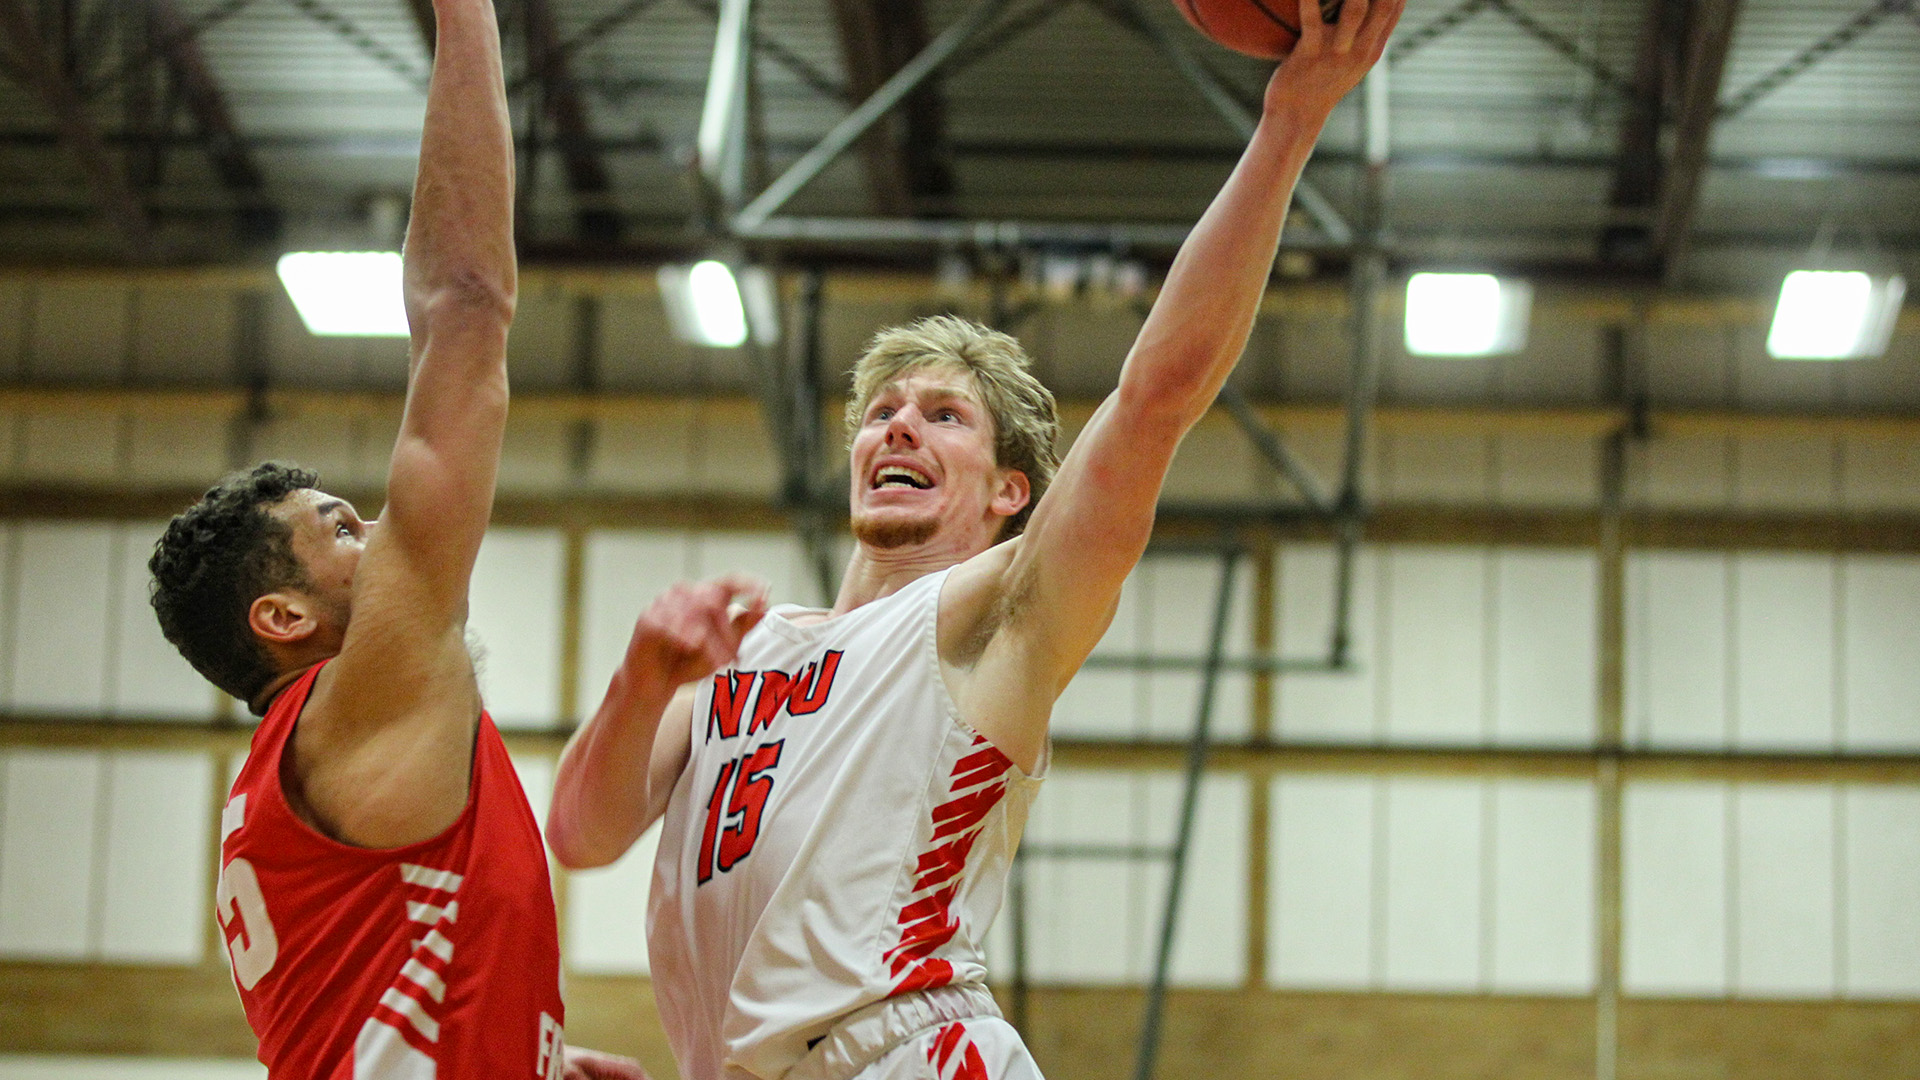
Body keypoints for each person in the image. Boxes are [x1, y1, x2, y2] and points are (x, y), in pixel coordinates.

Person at [545, 0, 1403, 1076]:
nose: (898, 423)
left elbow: (1157, 396)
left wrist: (1288, 124)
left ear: (1010, 491)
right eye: (882, 410)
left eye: (942, 414)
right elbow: (579, 835)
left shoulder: (993, 612)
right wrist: (639, 674)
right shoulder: (738, 657)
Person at [146, 2, 644, 1077]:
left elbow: (379, 993)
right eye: (342, 528)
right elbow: (465, 303)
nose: (382, 529)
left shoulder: (302, 774)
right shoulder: (360, 699)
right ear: (282, 617)